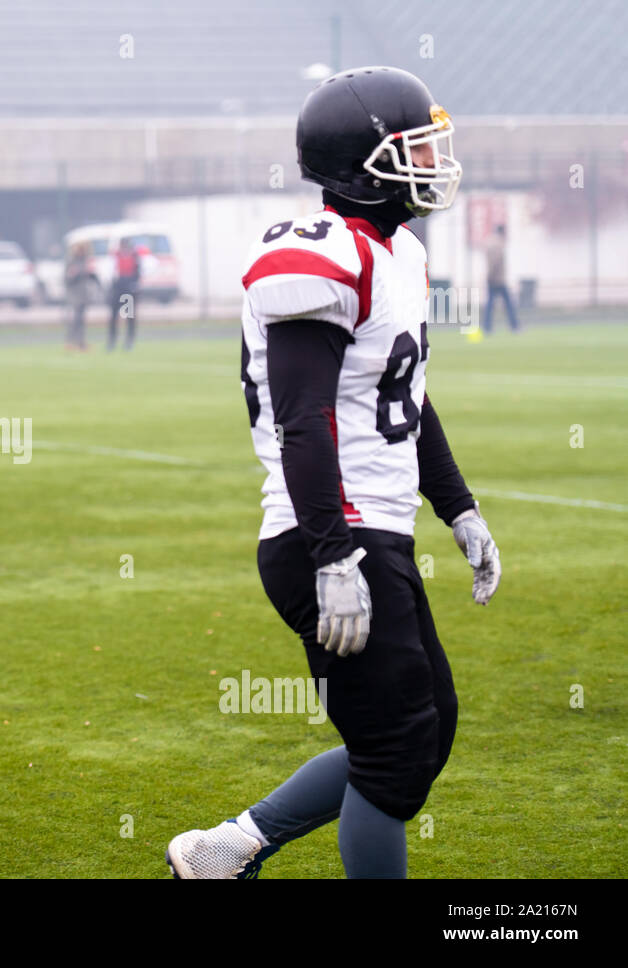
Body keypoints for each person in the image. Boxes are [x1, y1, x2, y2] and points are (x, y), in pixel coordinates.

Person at [167, 67, 501, 879]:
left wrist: (458, 509)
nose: (430, 160)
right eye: (413, 145)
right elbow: (302, 417)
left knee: (424, 732)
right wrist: (331, 554)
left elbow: (406, 394)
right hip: (328, 533)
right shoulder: (322, 253)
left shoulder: (400, 252)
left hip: (370, 530)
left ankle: (228, 850)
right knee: (394, 754)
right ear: (363, 161)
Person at [482, 224, 519, 333]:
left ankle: (487, 327)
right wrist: (490, 275)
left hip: (493, 278)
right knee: (508, 305)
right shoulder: (497, 244)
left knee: (490, 305)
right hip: (497, 279)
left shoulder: (490, 242)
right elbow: (495, 262)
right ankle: (514, 326)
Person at [106, 236, 140, 351]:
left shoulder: (134, 257)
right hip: (118, 288)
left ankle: (129, 341)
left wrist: (134, 285)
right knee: (114, 316)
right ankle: (112, 341)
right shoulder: (115, 257)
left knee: (129, 316)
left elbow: (138, 273)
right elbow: (111, 272)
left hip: (128, 289)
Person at [63, 240, 92, 351]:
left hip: (83, 294)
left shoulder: (84, 261)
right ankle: (70, 342)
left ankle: (81, 343)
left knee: (81, 320)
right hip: (74, 294)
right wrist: (73, 274)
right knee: (74, 320)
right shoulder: (71, 262)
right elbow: (67, 278)